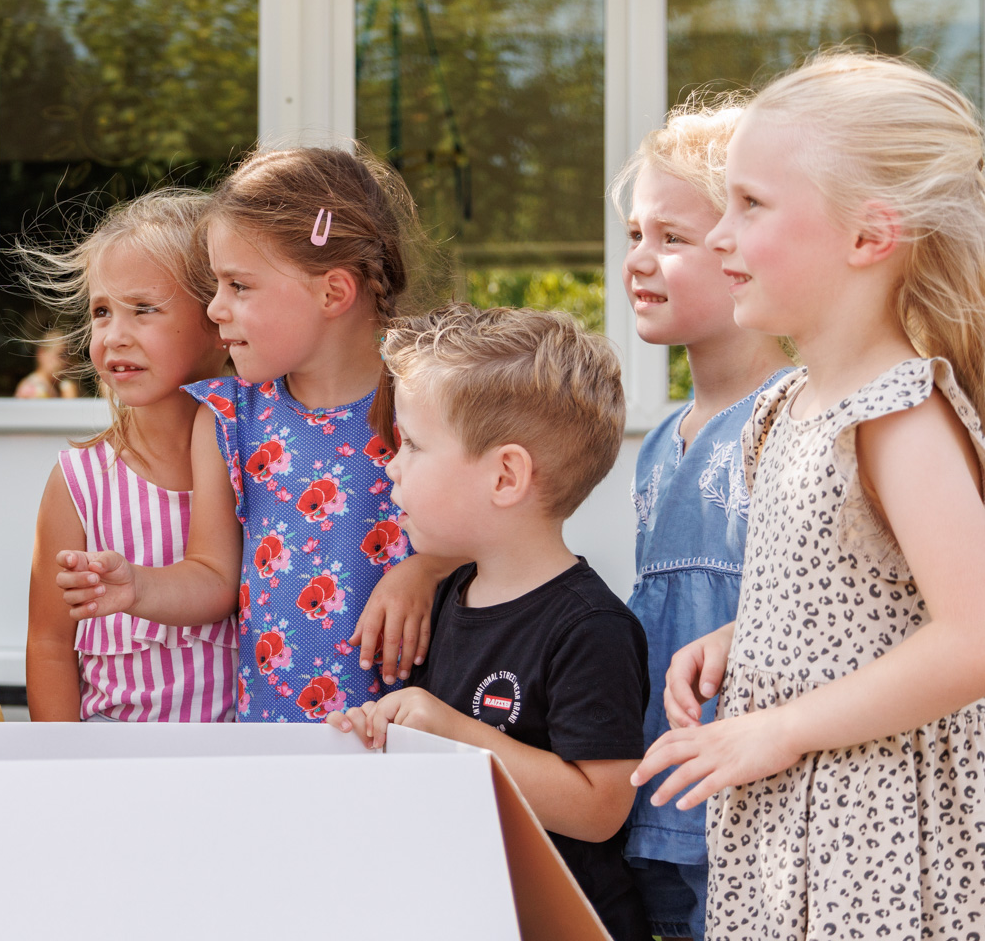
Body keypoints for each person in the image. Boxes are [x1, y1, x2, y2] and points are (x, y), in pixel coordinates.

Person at [635, 52, 985, 940]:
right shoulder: (789, 405)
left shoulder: (895, 414)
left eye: (750, 206)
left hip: (872, 836)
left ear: (868, 237)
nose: (719, 235)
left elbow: (972, 636)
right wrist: (738, 638)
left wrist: (779, 727)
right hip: (797, 821)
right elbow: (856, 596)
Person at [56, 142, 454, 722]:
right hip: (274, 739)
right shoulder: (228, 419)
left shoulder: (425, 400)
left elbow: (493, 534)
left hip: (411, 742)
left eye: (238, 286)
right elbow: (214, 576)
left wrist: (428, 567)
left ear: (332, 293)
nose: (215, 309)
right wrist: (137, 589)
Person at [329, 304, 650, 941]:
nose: (391, 465)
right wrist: (384, 733)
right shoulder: (449, 597)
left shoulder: (591, 628)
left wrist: (451, 731)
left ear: (506, 475)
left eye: (414, 445)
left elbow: (600, 808)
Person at [611, 97, 792, 941]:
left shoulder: (790, 419)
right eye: (634, 236)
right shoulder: (660, 444)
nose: (639, 261)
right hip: (660, 790)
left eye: (671, 239)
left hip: (754, 796)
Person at [23, 189, 236, 722]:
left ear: (220, 320)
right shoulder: (79, 482)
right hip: (111, 770)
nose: (114, 336)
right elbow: (49, 645)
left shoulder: (260, 459)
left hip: (236, 771)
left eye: (144, 310)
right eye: (101, 312)